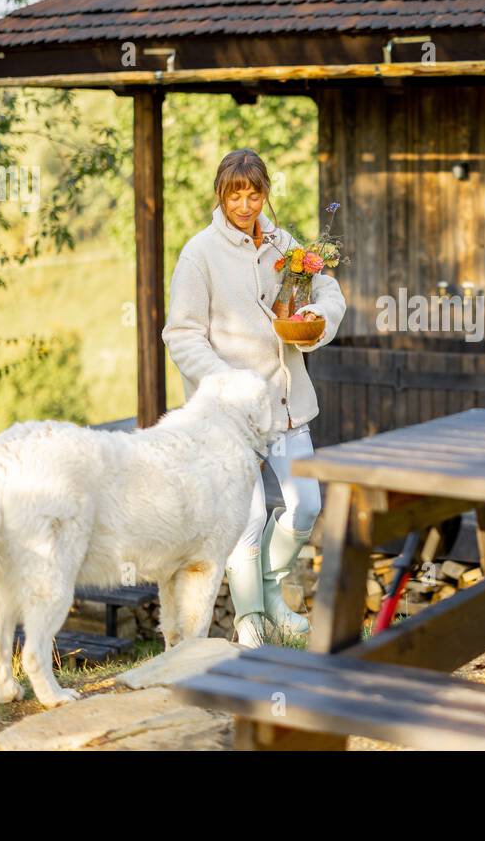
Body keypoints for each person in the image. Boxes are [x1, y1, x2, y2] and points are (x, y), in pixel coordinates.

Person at [161, 148, 346, 647]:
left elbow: (329, 294)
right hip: (228, 418)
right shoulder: (199, 253)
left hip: (287, 407)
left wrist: (318, 324)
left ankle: (271, 591)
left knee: (304, 506)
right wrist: (224, 382)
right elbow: (180, 334)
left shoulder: (284, 244)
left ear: (265, 192)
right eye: (235, 193)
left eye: (254, 192)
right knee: (247, 519)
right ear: (221, 195)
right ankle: (251, 624)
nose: (245, 203)